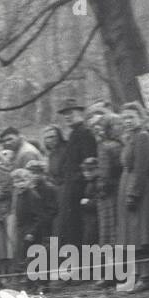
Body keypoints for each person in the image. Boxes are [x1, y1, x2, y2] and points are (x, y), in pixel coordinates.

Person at [117, 103, 149, 292]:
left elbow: (142, 168)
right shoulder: (130, 138)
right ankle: (138, 276)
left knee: (141, 236)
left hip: (139, 189)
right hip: (127, 184)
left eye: (131, 117)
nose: (127, 121)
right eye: (124, 118)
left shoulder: (143, 137)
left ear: (141, 118)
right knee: (133, 236)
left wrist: (133, 193)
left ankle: (147, 276)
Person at [54, 96, 97, 253]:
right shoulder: (74, 134)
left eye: (70, 112)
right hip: (71, 190)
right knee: (71, 231)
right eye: (64, 113)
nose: (67, 116)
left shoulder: (84, 133)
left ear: (80, 112)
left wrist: (76, 183)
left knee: (79, 232)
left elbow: (89, 162)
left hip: (80, 191)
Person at [94, 113, 123, 247]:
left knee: (109, 228)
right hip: (120, 187)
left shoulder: (105, 146)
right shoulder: (121, 144)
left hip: (109, 191)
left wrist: (101, 188)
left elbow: (105, 173)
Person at [79, 156, 100, 245]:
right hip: (89, 217)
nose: (86, 173)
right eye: (85, 171)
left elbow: (98, 201)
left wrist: (87, 202)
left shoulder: (97, 183)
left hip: (94, 218)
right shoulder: (89, 182)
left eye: (90, 170)